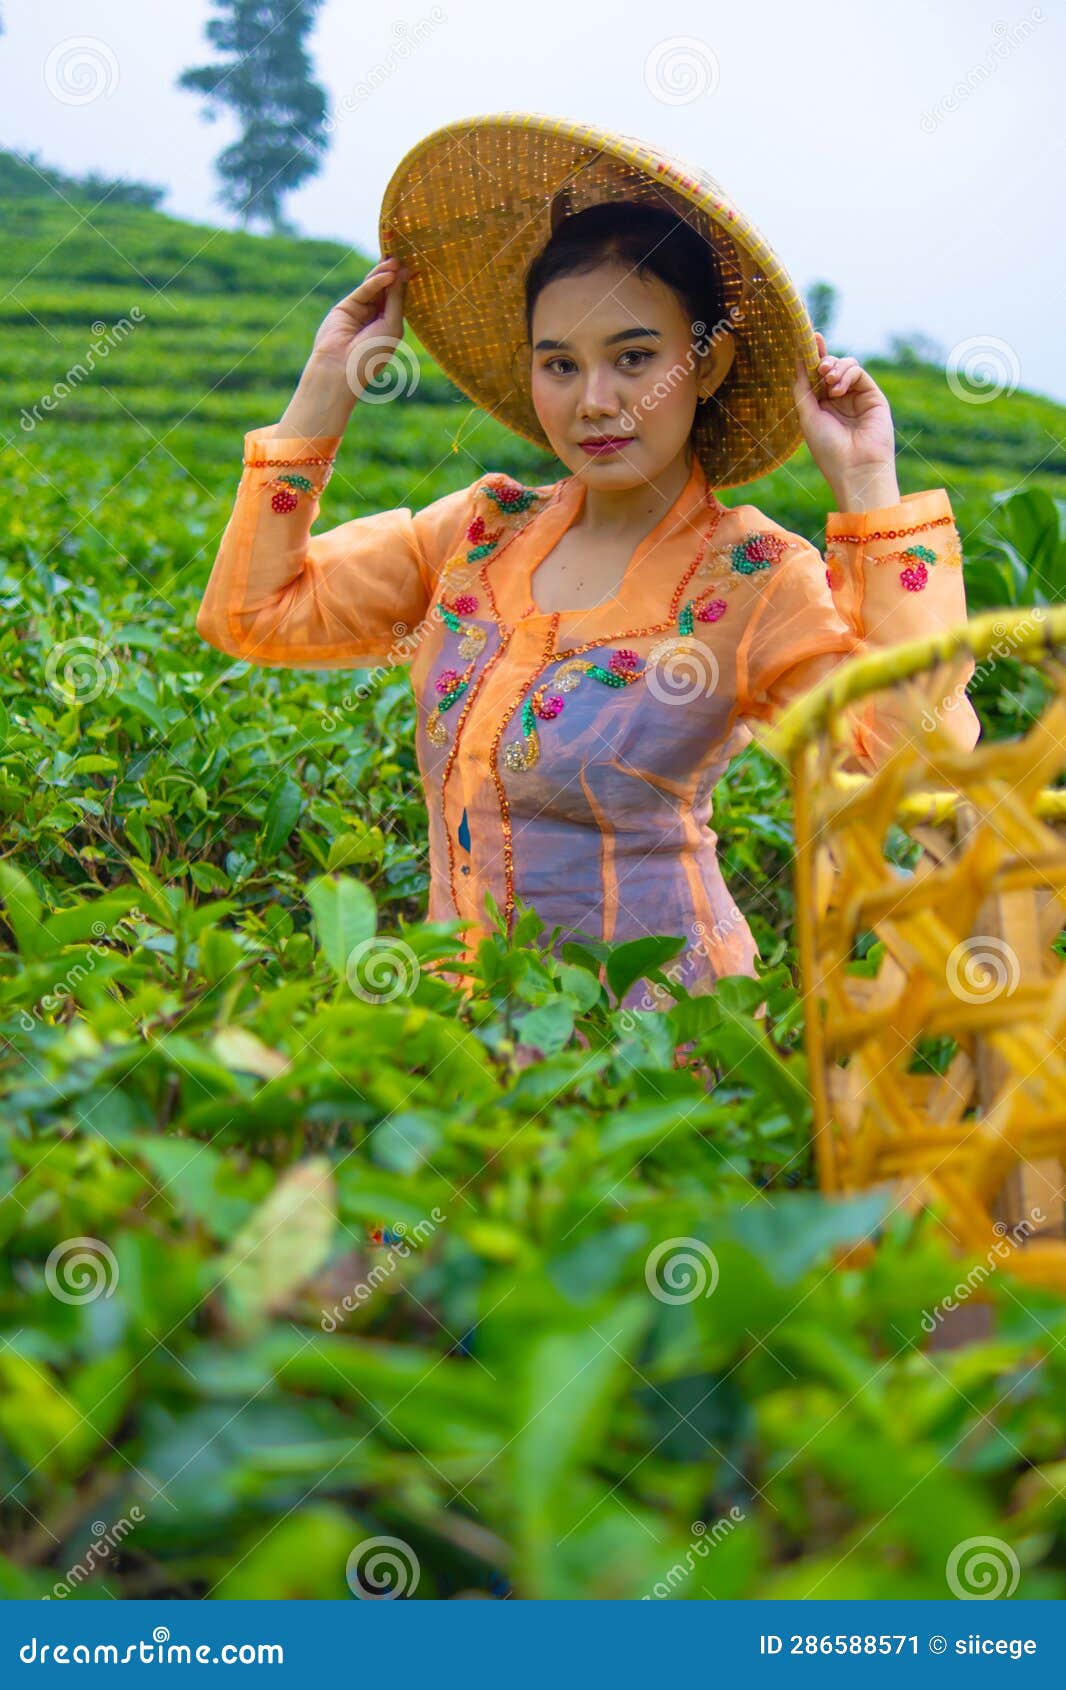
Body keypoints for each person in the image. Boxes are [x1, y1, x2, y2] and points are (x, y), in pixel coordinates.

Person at [196, 117, 980, 1015]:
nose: (595, 402)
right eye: (558, 363)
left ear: (708, 361)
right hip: (467, 1036)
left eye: (635, 358)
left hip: (658, 1053)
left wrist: (868, 482)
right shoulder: (482, 531)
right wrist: (330, 380)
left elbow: (924, 764)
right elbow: (252, 614)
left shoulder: (751, 577)